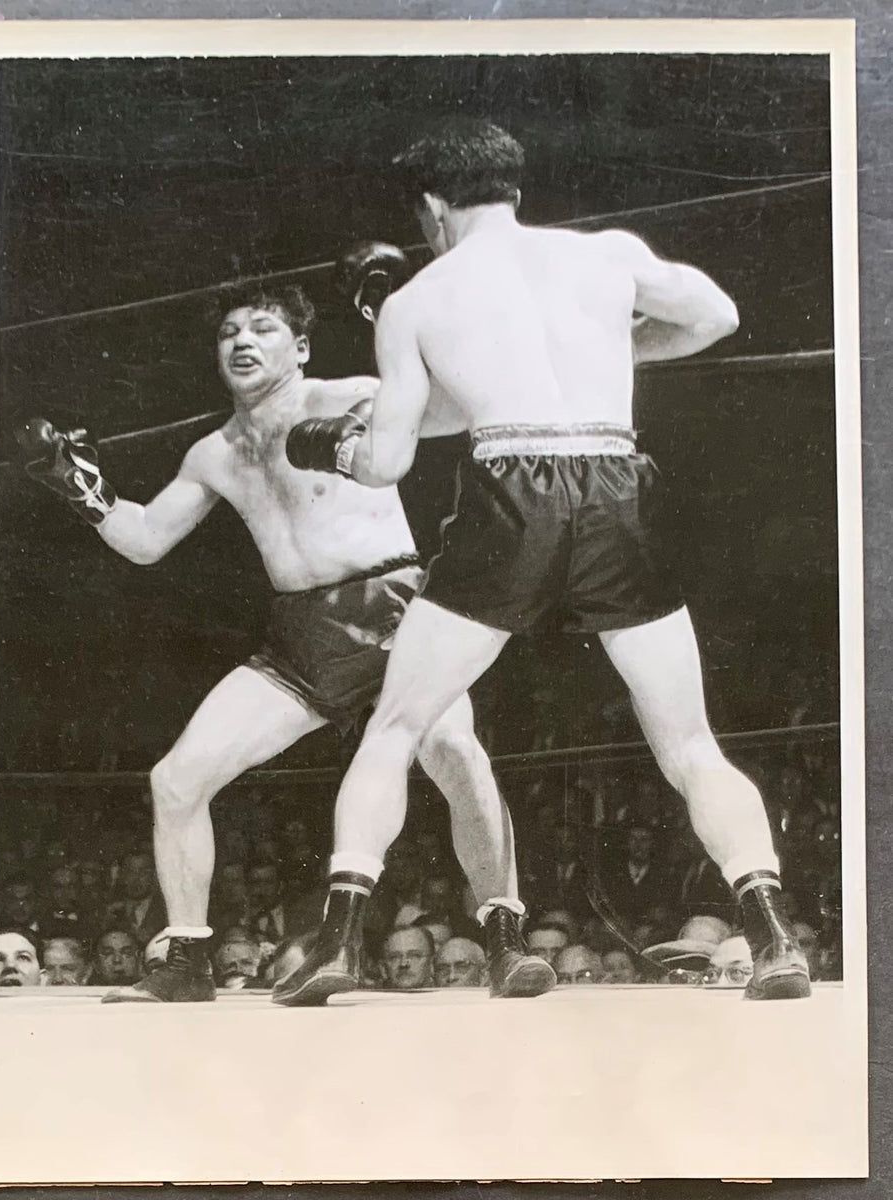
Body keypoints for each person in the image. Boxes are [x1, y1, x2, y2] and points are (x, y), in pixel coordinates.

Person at [284, 118, 810, 1002]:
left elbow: (389, 461)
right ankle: (771, 936)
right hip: (617, 481)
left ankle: (338, 944)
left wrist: (325, 447)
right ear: (516, 191)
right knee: (688, 742)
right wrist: (620, 350)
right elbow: (718, 314)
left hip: (509, 488)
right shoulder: (606, 255)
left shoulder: (418, 299)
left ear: (431, 209)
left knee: (396, 728)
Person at [17, 283, 553, 1005]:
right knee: (176, 780)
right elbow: (146, 539)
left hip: (395, 608)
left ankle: (504, 938)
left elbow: (460, 412)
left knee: (454, 752)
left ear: (299, 349)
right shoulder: (214, 452)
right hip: (302, 635)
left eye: (263, 328)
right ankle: (185, 960)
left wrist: (397, 334)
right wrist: (79, 490)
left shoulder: (348, 396)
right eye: (229, 332)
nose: (242, 341)